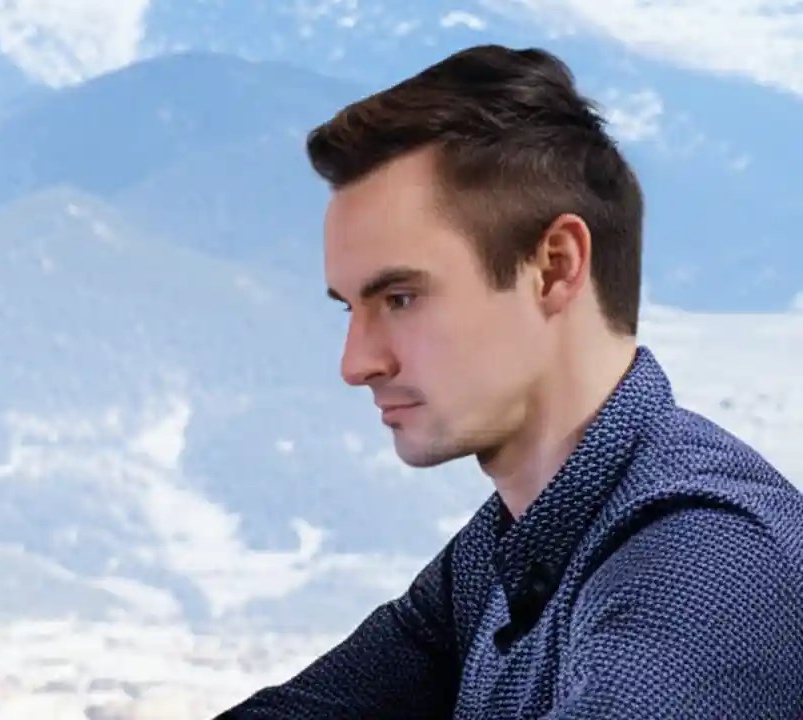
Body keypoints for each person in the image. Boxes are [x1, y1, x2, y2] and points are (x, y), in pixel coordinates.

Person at [215, 44, 803, 719]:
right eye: (351, 309)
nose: (357, 364)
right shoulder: (513, 546)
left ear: (554, 267)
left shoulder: (709, 564)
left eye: (400, 298)